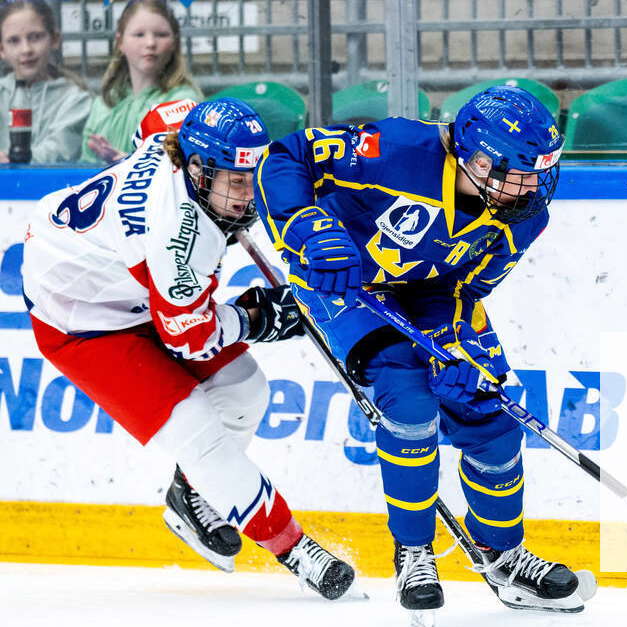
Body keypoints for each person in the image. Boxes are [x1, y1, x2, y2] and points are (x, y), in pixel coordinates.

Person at [255, 86, 583, 613]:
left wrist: (455, 348)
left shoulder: (525, 214)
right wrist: (308, 229)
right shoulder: (395, 149)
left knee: (490, 415)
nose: (530, 187)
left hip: (431, 295)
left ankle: (504, 556)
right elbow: (287, 155)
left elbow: (466, 289)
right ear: (475, 157)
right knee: (408, 403)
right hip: (344, 284)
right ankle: (413, 551)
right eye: (517, 173)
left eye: (539, 171)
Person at [22, 98, 354, 600]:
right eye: (234, 183)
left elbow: (155, 118)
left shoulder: (183, 138)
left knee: (245, 391)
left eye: (251, 176)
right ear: (196, 170)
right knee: (197, 431)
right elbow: (189, 337)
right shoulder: (177, 242)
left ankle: (191, 495)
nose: (247, 193)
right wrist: (256, 318)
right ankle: (292, 547)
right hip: (80, 318)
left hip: (122, 279)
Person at [80, 0, 201, 164]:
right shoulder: (104, 102)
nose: (150, 43)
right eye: (139, 34)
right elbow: (84, 163)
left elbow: (185, 168)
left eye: (161, 34)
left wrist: (126, 162)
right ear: (120, 42)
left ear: (175, 42)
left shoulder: (183, 102)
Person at [0, 0, 91, 163]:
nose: (26, 49)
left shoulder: (76, 100)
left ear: (55, 39)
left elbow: (59, 152)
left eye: (35, 37)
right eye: (14, 41)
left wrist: (10, 160)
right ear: (2, 50)